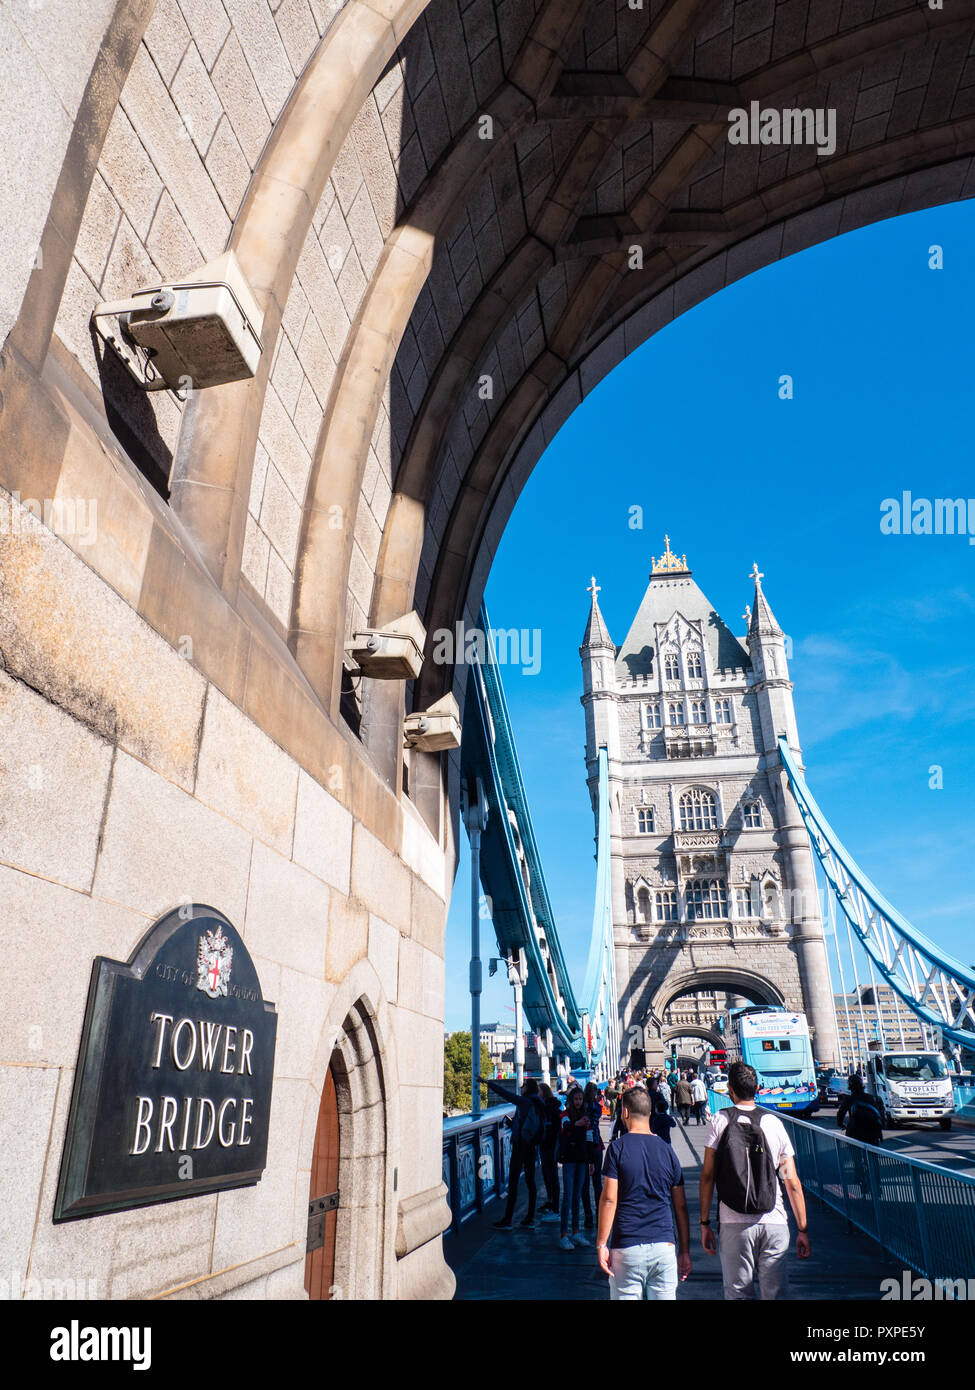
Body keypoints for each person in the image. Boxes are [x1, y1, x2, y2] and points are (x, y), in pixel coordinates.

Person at [698, 1061, 810, 1300]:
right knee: (776, 1294)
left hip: (733, 1221)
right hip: (774, 1220)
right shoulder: (774, 1123)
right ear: (758, 1087)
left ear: (730, 1089)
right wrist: (803, 1228)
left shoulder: (720, 1120)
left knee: (738, 1294)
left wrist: (705, 1222)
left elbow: (707, 1176)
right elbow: (791, 1181)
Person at [596, 1087, 691, 1299]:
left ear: (626, 1113)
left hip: (627, 1247)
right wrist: (684, 1251)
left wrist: (601, 1243)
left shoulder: (617, 1149)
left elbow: (609, 1199)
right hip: (663, 1246)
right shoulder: (667, 1151)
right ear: (650, 1113)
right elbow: (681, 1206)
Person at [478, 1075, 546, 1229]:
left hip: (520, 1146)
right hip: (532, 1146)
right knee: (530, 1181)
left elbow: (505, 1094)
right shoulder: (539, 1102)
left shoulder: (524, 1101)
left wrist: (487, 1082)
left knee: (513, 1181)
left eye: (523, 1086)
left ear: (527, 1088)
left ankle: (508, 1219)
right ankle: (530, 1217)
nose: (521, 1088)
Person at [558, 1086, 594, 1249]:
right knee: (568, 1196)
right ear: (571, 1101)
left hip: (582, 1158)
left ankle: (575, 1231)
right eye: (576, 1099)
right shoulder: (565, 1115)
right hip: (569, 1158)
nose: (578, 1102)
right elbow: (565, 1127)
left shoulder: (586, 1117)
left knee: (577, 1195)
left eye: (580, 1099)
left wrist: (591, 1161)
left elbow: (589, 1138)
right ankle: (564, 1234)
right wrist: (577, 1124)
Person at [537, 1083, 562, 1218]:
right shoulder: (553, 1107)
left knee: (550, 1176)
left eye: (539, 1091)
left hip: (549, 1145)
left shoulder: (546, 1108)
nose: (537, 1093)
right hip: (549, 1144)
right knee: (549, 1175)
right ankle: (552, 1203)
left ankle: (554, 1206)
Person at [836, 1075, 884, 1145]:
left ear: (850, 1087)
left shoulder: (849, 1099)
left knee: (855, 1154)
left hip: (855, 1133)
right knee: (872, 1154)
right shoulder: (871, 1098)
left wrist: (840, 1124)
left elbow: (840, 1114)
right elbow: (878, 1115)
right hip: (872, 1134)